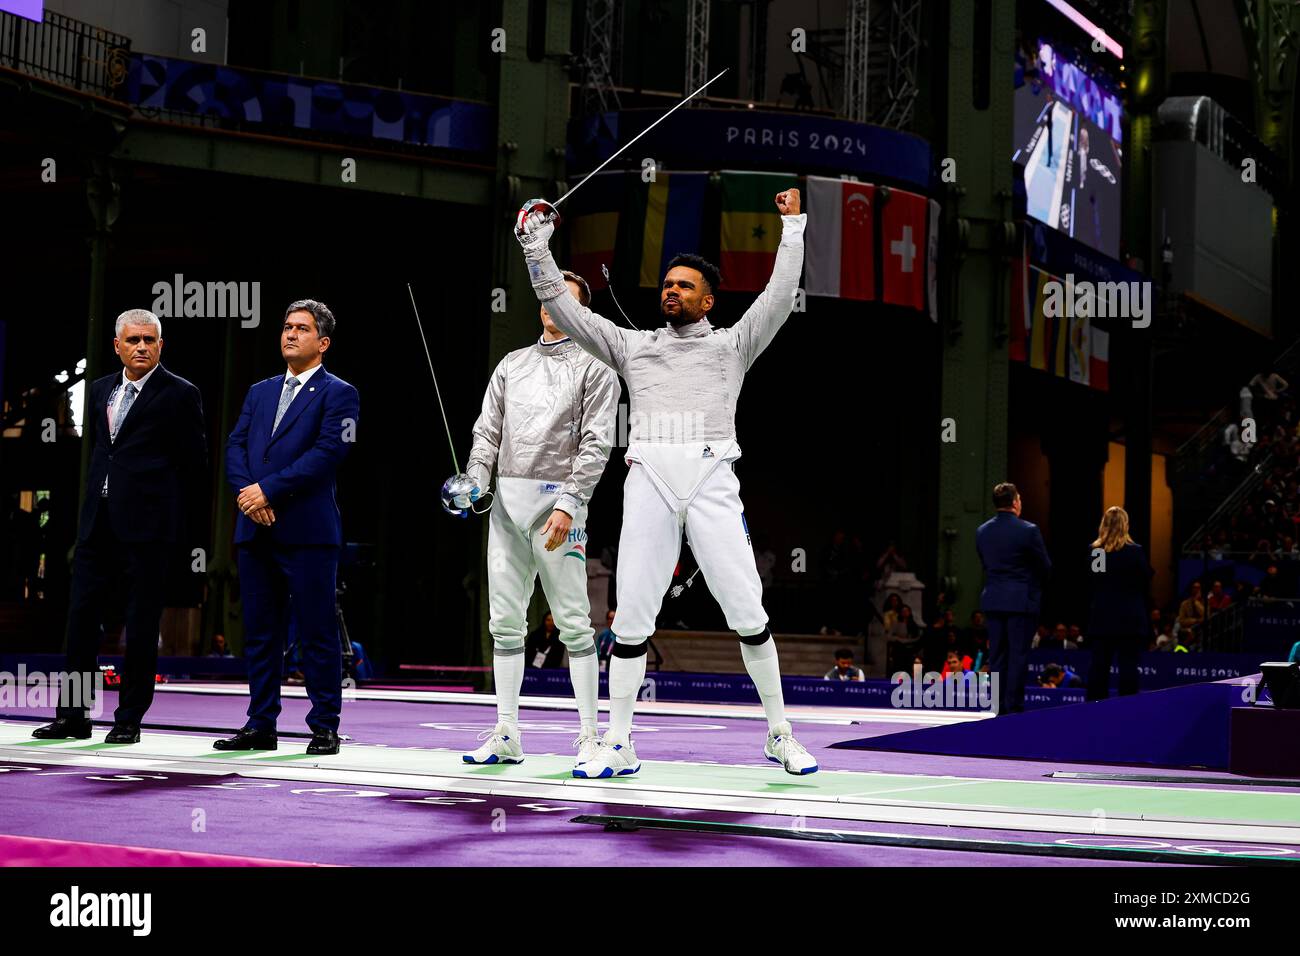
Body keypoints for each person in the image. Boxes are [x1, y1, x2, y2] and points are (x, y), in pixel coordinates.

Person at [516, 186, 818, 777]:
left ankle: (780, 733)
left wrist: (793, 228)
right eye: (667, 284)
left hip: (711, 482)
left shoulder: (733, 346)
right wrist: (535, 246)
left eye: (684, 286)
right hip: (649, 480)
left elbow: (780, 298)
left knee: (747, 610)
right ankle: (620, 743)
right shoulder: (631, 348)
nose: (671, 291)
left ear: (708, 300)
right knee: (630, 618)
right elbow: (570, 312)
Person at [453, 270, 618, 768]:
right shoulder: (512, 364)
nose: (550, 304)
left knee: (574, 624)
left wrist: (571, 502)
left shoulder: (597, 366)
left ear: (581, 312)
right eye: (546, 297)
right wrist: (474, 481)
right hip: (506, 507)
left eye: (562, 298)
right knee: (504, 623)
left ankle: (590, 736)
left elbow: (596, 443)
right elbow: (487, 433)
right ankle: (507, 732)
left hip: (557, 509)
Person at [33, 309, 206, 744]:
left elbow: (195, 467)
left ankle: (128, 719)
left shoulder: (181, 394)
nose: (142, 347)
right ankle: (73, 717)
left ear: (161, 345)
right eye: (133, 341)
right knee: (80, 622)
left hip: (149, 533)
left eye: (150, 340)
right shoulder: (98, 390)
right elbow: (102, 454)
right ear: (117, 346)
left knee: (141, 625)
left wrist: (174, 527)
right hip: (97, 525)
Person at [215, 299, 360, 756]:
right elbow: (235, 445)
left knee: (317, 631)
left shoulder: (341, 393)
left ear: (324, 342)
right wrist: (248, 494)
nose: (290, 334)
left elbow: (328, 454)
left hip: (309, 532)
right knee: (260, 633)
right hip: (256, 528)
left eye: (301, 328)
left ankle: (324, 727)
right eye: (286, 326)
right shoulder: (259, 392)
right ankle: (260, 725)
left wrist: (268, 491)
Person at [975, 482, 1051, 715]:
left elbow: (986, 564)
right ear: (1015, 502)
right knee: (1017, 655)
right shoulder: (1029, 530)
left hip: (994, 600)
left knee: (997, 656)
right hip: (1020, 602)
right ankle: (1013, 709)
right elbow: (1045, 567)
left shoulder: (982, 531)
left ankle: (998, 707)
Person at [1084, 506, 1153, 700]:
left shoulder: (1098, 552)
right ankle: (1127, 712)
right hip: (1129, 618)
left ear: (1103, 525)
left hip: (1103, 617)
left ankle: (1095, 710)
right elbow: (1145, 580)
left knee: (1099, 667)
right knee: (1128, 667)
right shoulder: (1134, 551)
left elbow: (1095, 581)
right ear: (1125, 525)